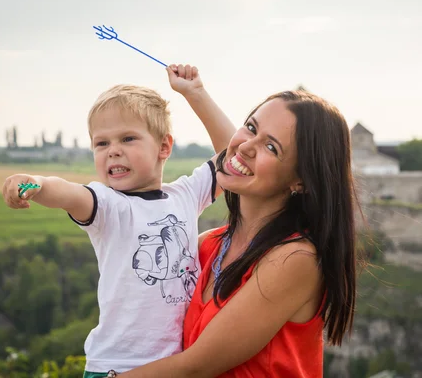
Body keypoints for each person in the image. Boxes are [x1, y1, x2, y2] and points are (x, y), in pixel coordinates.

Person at [1, 64, 235, 378]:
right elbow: (68, 193)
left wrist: (196, 94)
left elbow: (233, 155)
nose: (113, 152)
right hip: (115, 367)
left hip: (173, 367)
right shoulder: (109, 206)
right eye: (102, 143)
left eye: (127, 139)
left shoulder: (186, 195)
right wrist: (33, 184)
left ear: (164, 146)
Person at [117, 90, 361, 377]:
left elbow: (194, 368)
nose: (246, 146)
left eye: (272, 147)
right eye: (251, 127)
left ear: (301, 180)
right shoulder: (209, 245)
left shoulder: (295, 259)